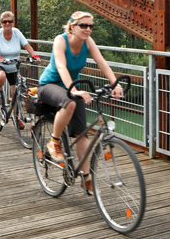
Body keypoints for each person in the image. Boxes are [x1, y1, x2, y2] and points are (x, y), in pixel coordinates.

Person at [37, 11, 123, 192]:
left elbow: (102, 63)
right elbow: (61, 66)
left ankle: (86, 178)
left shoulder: (88, 42)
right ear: (72, 27)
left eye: (90, 26)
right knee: (71, 102)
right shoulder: (60, 40)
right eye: (83, 25)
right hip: (50, 85)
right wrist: (74, 90)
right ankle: (54, 141)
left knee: (82, 133)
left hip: (72, 88)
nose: (88, 29)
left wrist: (115, 83)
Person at [0, 11, 40, 127]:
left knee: (15, 92)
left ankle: (16, 117)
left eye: (10, 21)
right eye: (5, 21)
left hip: (12, 66)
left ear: (13, 22)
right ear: (1, 23)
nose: (7, 23)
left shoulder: (16, 32)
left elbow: (26, 45)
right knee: (1, 77)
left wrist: (34, 55)